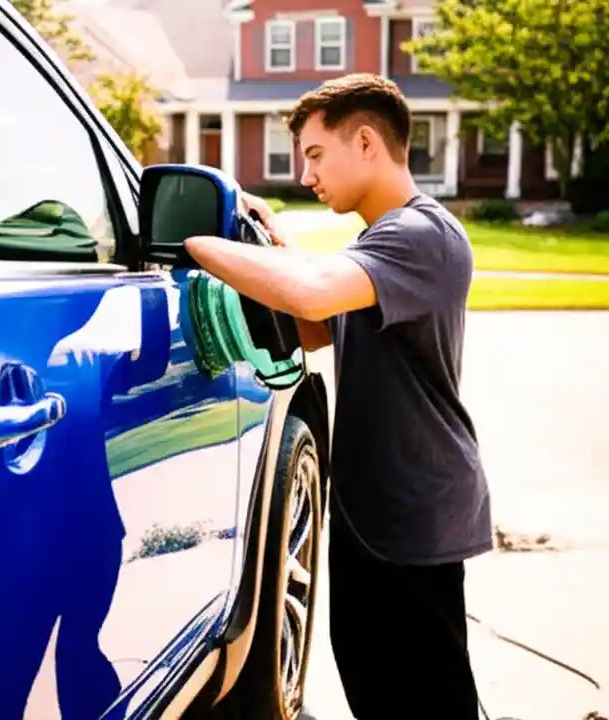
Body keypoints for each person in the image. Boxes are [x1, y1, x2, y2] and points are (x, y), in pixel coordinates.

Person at [183, 73, 492, 720]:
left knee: (426, 701)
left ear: (367, 142)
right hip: (376, 506)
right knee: (377, 689)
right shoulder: (383, 240)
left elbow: (312, 295)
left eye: (316, 154)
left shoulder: (421, 234)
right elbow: (316, 325)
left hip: (412, 510)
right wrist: (269, 241)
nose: (306, 175)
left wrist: (195, 243)